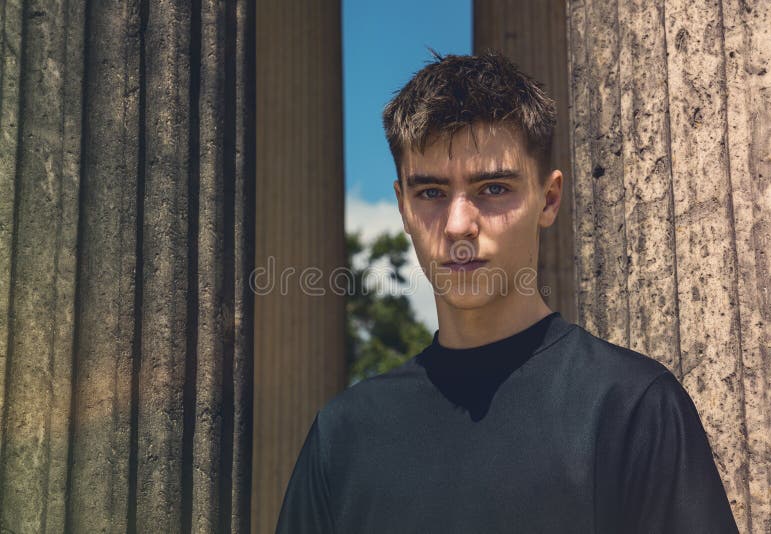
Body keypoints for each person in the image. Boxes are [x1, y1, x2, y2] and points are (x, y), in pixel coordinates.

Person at [275, 51, 738, 533]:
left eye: (492, 189)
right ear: (403, 207)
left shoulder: (632, 409)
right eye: (430, 192)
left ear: (549, 199)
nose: (458, 225)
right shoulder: (345, 436)